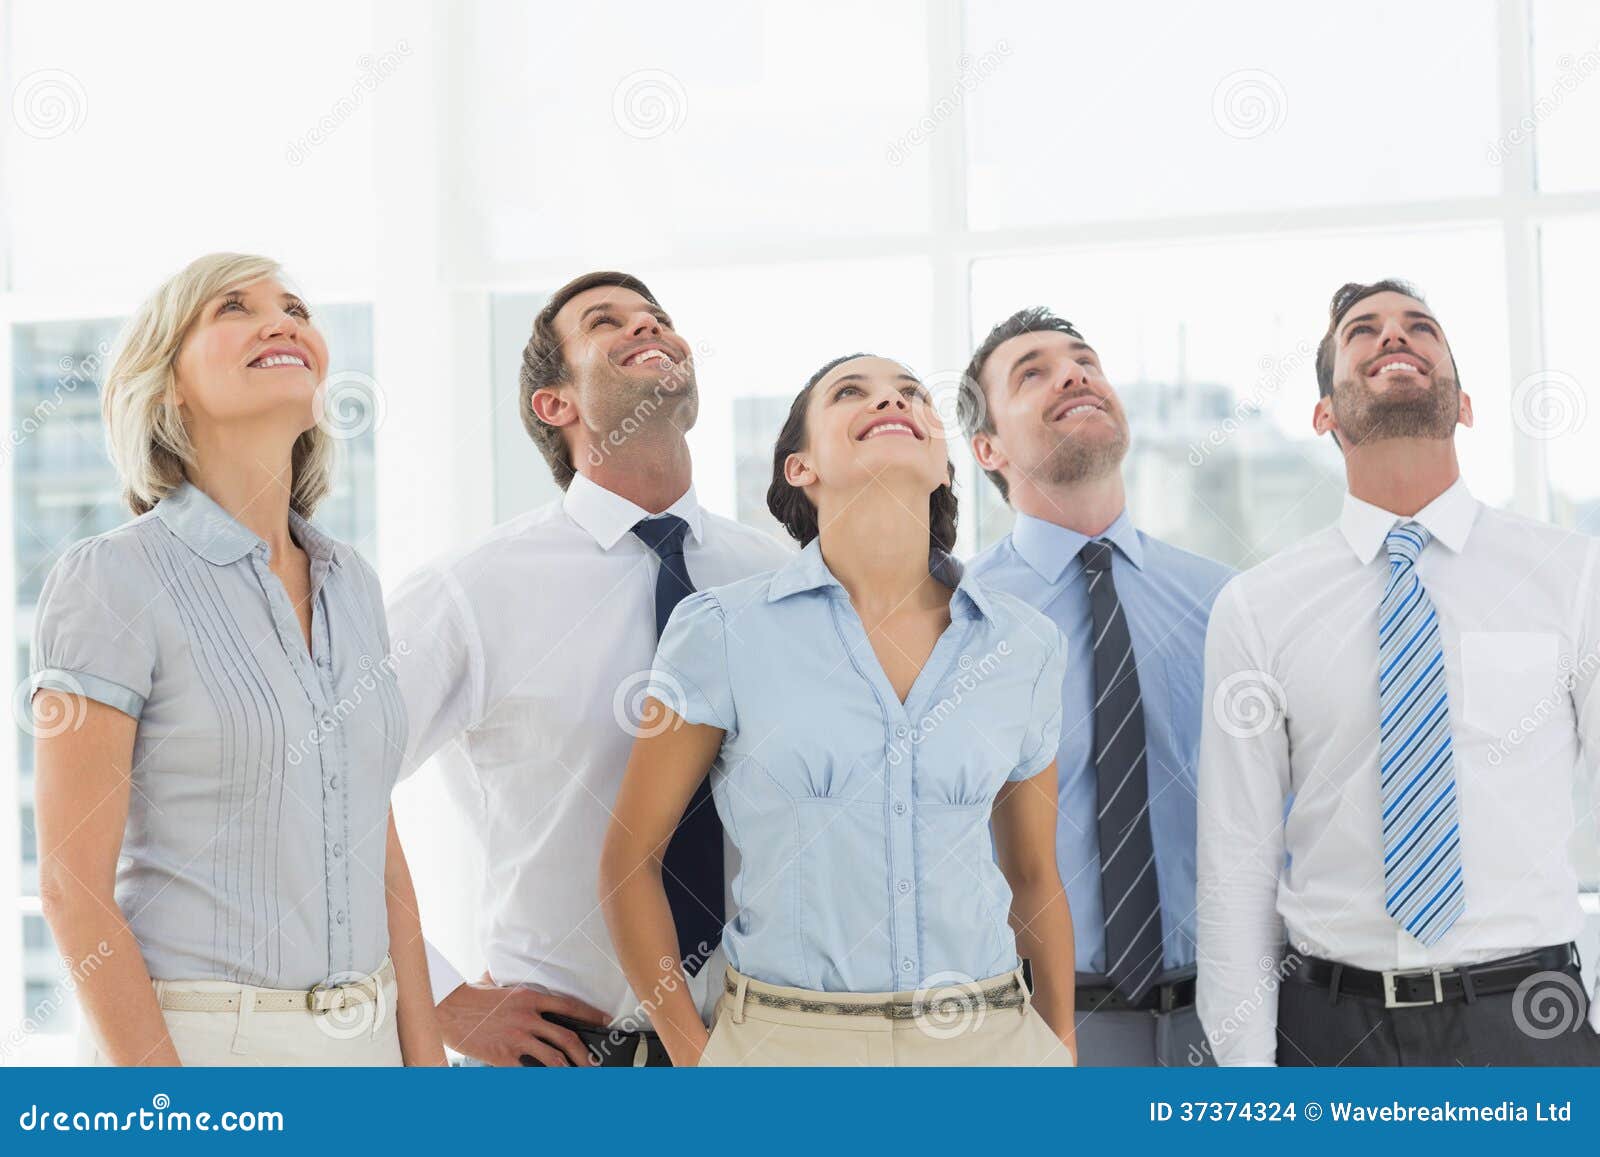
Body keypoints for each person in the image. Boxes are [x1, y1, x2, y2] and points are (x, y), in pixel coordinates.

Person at [600, 353, 1077, 1066]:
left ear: (946, 467)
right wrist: (695, 1056)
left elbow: (1035, 875)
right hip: (787, 1047)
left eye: (913, 394)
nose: (892, 400)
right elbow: (628, 862)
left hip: (993, 1042)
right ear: (800, 467)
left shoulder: (1025, 645)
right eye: (851, 392)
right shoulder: (723, 633)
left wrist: (1058, 1044)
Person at [31, 253, 443, 1066]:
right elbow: (71, 888)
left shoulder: (352, 582)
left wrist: (426, 1075)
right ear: (169, 383)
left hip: (370, 1045)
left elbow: (377, 845)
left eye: (295, 306)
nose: (283, 319)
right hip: (197, 1048)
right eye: (233, 307)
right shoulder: (112, 578)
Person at [387, 271, 793, 1066]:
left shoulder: (776, 577)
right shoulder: (470, 590)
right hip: (565, 1065)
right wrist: (436, 997)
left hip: (763, 1052)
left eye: (659, 317)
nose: (650, 327)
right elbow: (327, 788)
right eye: (608, 322)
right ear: (555, 402)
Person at [1196, 278, 1600, 1066]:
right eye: (1362, 331)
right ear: (1325, 414)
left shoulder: (1573, 574)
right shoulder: (1257, 608)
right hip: (1333, 1030)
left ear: (1465, 402)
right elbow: (1236, 856)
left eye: (1421, 326)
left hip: (1534, 1023)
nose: (1395, 336)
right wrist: (1245, 1075)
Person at [961, 308, 1233, 1066]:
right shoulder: (953, 617)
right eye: (1033, 372)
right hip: (1028, 1026)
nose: (1074, 374)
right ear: (987, 447)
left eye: (1084, 361)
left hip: (1222, 1019)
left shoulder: (1226, 603)